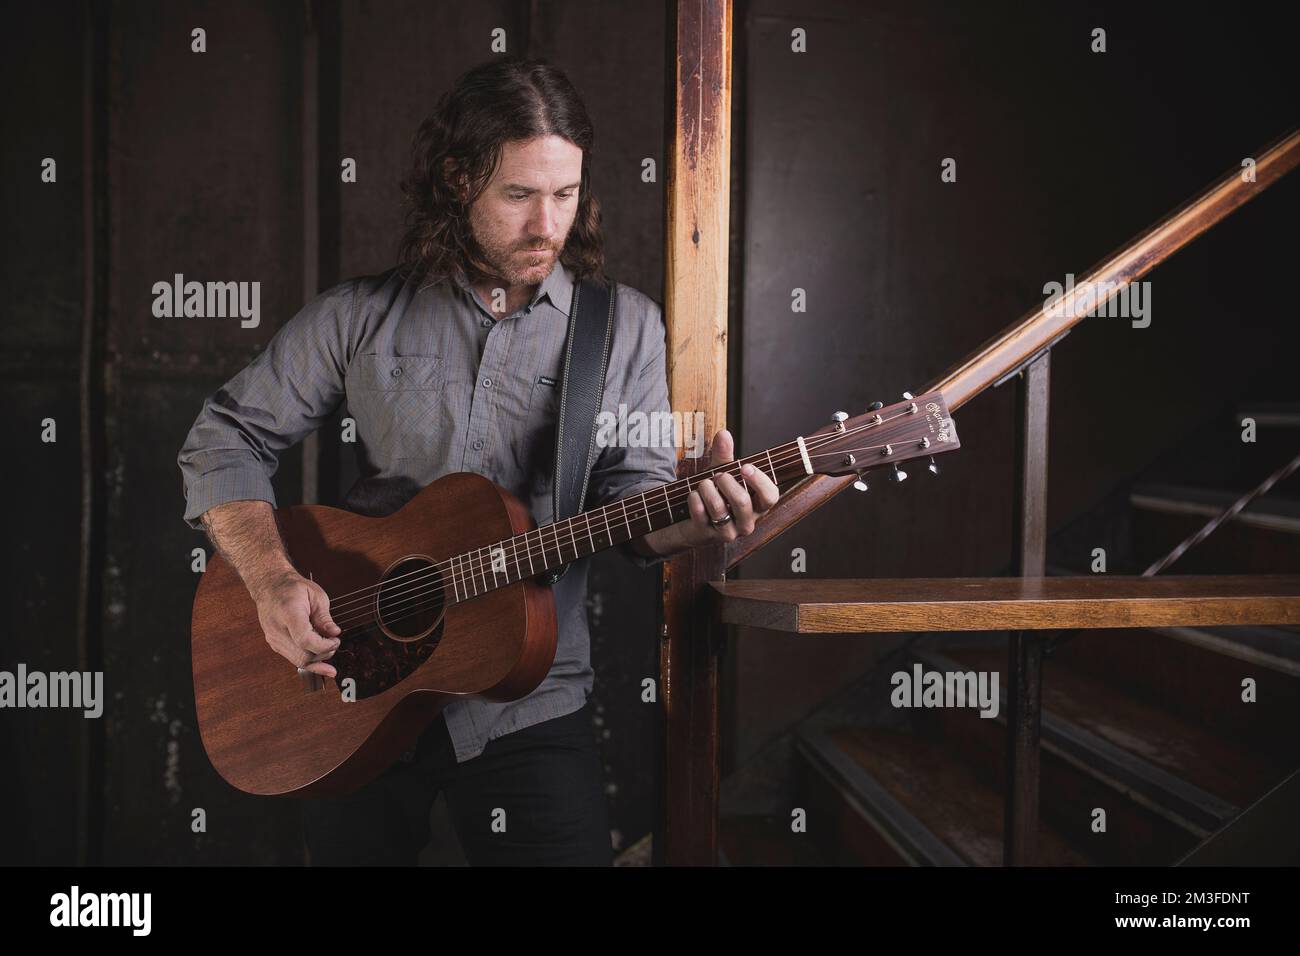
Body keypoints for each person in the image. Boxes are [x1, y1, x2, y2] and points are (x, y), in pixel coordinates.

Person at [177, 57, 778, 866]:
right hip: (351, 684)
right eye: (519, 195)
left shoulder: (622, 327)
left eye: (565, 194)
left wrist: (693, 517)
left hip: (528, 700)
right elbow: (224, 437)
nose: (547, 226)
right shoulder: (360, 316)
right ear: (458, 181)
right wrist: (272, 578)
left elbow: (634, 510)